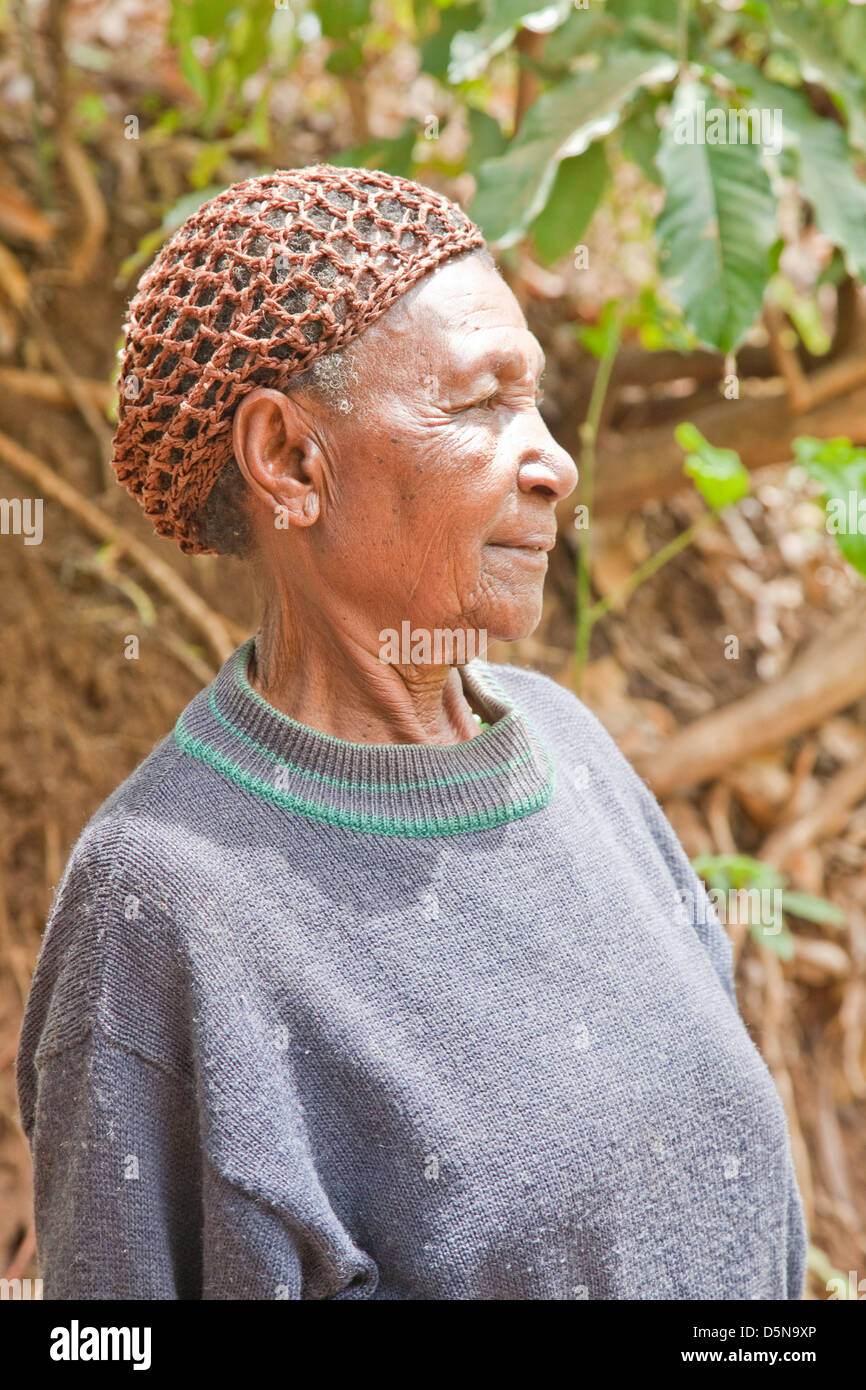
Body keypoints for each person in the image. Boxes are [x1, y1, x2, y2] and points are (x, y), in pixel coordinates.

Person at [17, 165, 807, 1299]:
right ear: (290, 460)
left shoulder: (566, 748)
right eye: (481, 404)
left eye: (533, 401)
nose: (553, 461)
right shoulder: (162, 903)